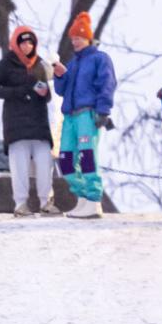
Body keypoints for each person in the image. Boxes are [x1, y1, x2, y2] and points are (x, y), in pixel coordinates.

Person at [51, 12, 116, 219]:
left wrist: (103, 111)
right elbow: (61, 90)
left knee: (87, 156)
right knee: (66, 159)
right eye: (73, 38)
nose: (75, 42)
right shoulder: (72, 63)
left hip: (87, 114)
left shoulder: (100, 58)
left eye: (78, 37)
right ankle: (82, 198)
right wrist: (60, 75)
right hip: (69, 116)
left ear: (88, 38)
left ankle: (94, 200)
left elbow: (107, 84)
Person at [0, 26, 58, 215]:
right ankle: (20, 204)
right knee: (19, 167)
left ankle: (46, 203)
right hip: (16, 124)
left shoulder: (41, 64)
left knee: (45, 164)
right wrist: (17, 93)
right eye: (23, 42)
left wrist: (45, 93)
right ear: (15, 44)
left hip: (39, 124)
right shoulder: (6, 63)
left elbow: (49, 94)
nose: (27, 46)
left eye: (30, 43)